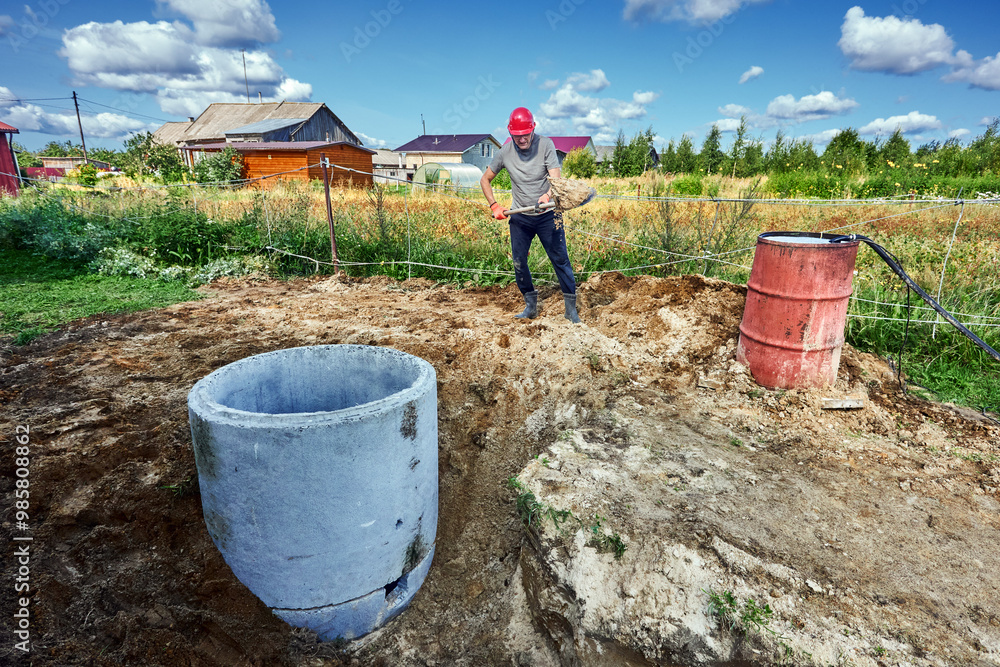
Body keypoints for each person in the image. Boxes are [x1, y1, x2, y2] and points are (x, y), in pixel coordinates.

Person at [480, 107, 581, 323]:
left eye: (525, 134)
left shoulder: (545, 145)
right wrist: (494, 206)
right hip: (520, 216)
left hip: (547, 214)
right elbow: (484, 179)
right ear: (511, 133)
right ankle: (530, 306)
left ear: (532, 129)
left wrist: (547, 195)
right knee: (518, 261)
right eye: (517, 136)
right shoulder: (505, 152)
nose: (522, 139)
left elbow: (556, 179)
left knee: (560, 259)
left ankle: (571, 310)